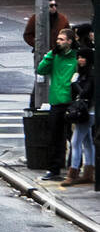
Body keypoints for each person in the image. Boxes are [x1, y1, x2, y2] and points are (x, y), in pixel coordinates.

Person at [37, 28, 78, 181]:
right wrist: (50, 55)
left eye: (62, 39)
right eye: (58, 39)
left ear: (69, 41)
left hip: (71, 102)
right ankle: (54, 169)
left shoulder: (75, 57)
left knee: (74, 137)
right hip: (56, 102)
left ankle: (73, 167)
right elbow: (41, 70)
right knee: (55, 137)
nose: (58, 42)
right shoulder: (54, 56)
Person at [62, 46, 94, 186]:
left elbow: (85, 93)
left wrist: (75, 84)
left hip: (88, 112)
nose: (80, 60)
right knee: (87, 142)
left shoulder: (91, 74)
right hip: (87, 111)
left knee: (76, 142)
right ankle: (88, 172)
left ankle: (73, 173)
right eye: (79, 57)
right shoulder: (83, 73)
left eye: (83, 57)